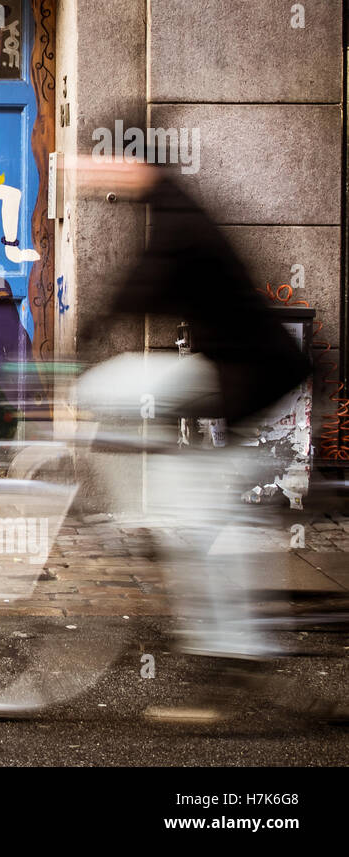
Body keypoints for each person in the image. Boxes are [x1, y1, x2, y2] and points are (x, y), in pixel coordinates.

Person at [72, 157, 312, 720]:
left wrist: (82, 340)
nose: (96, 177)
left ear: (134, 161)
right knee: (195, 510)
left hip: (248, 379)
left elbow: (141, 283)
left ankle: (236, 655)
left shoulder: (182, 221)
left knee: (108, 389)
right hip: (233, 377)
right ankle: (154, 524)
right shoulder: (173, 210)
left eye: (104, 163)